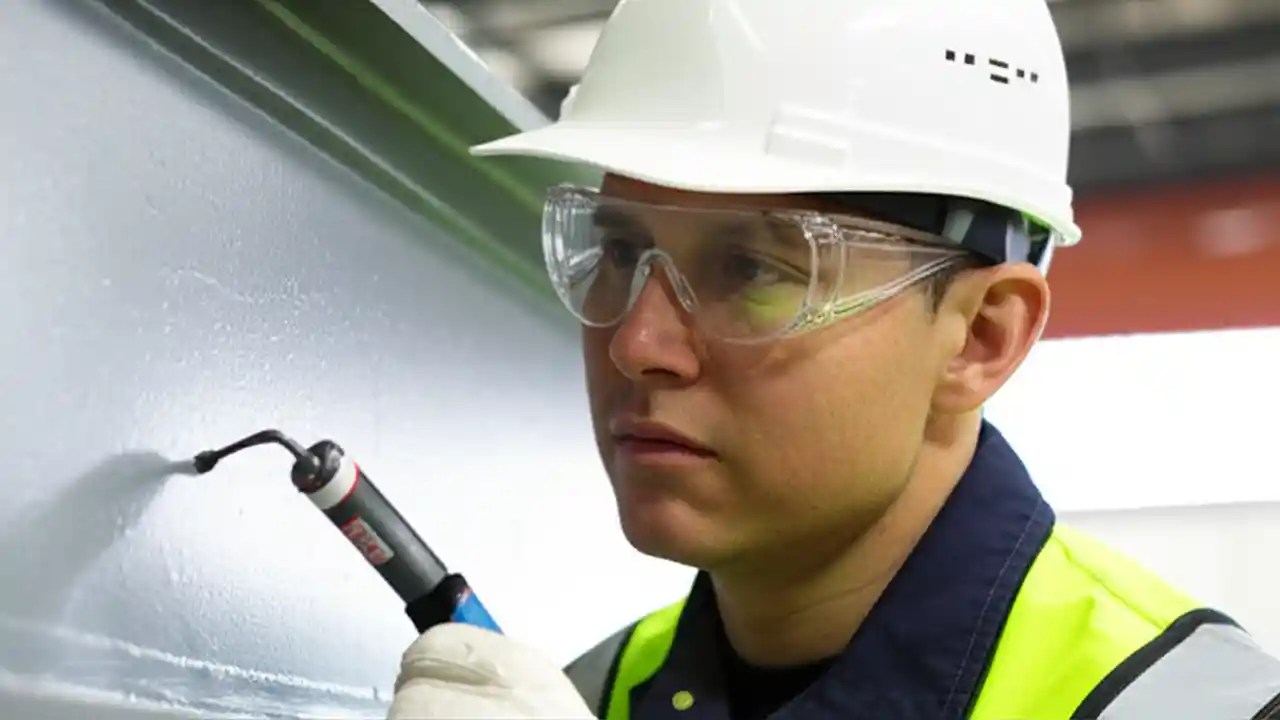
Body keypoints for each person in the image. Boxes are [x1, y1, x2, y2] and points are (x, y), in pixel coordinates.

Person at [388, 0, 1280, 718]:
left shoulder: (1186, 706)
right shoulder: (593, 694)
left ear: (980, 339)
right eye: (620, 254)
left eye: (753, 270)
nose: (637, 342)